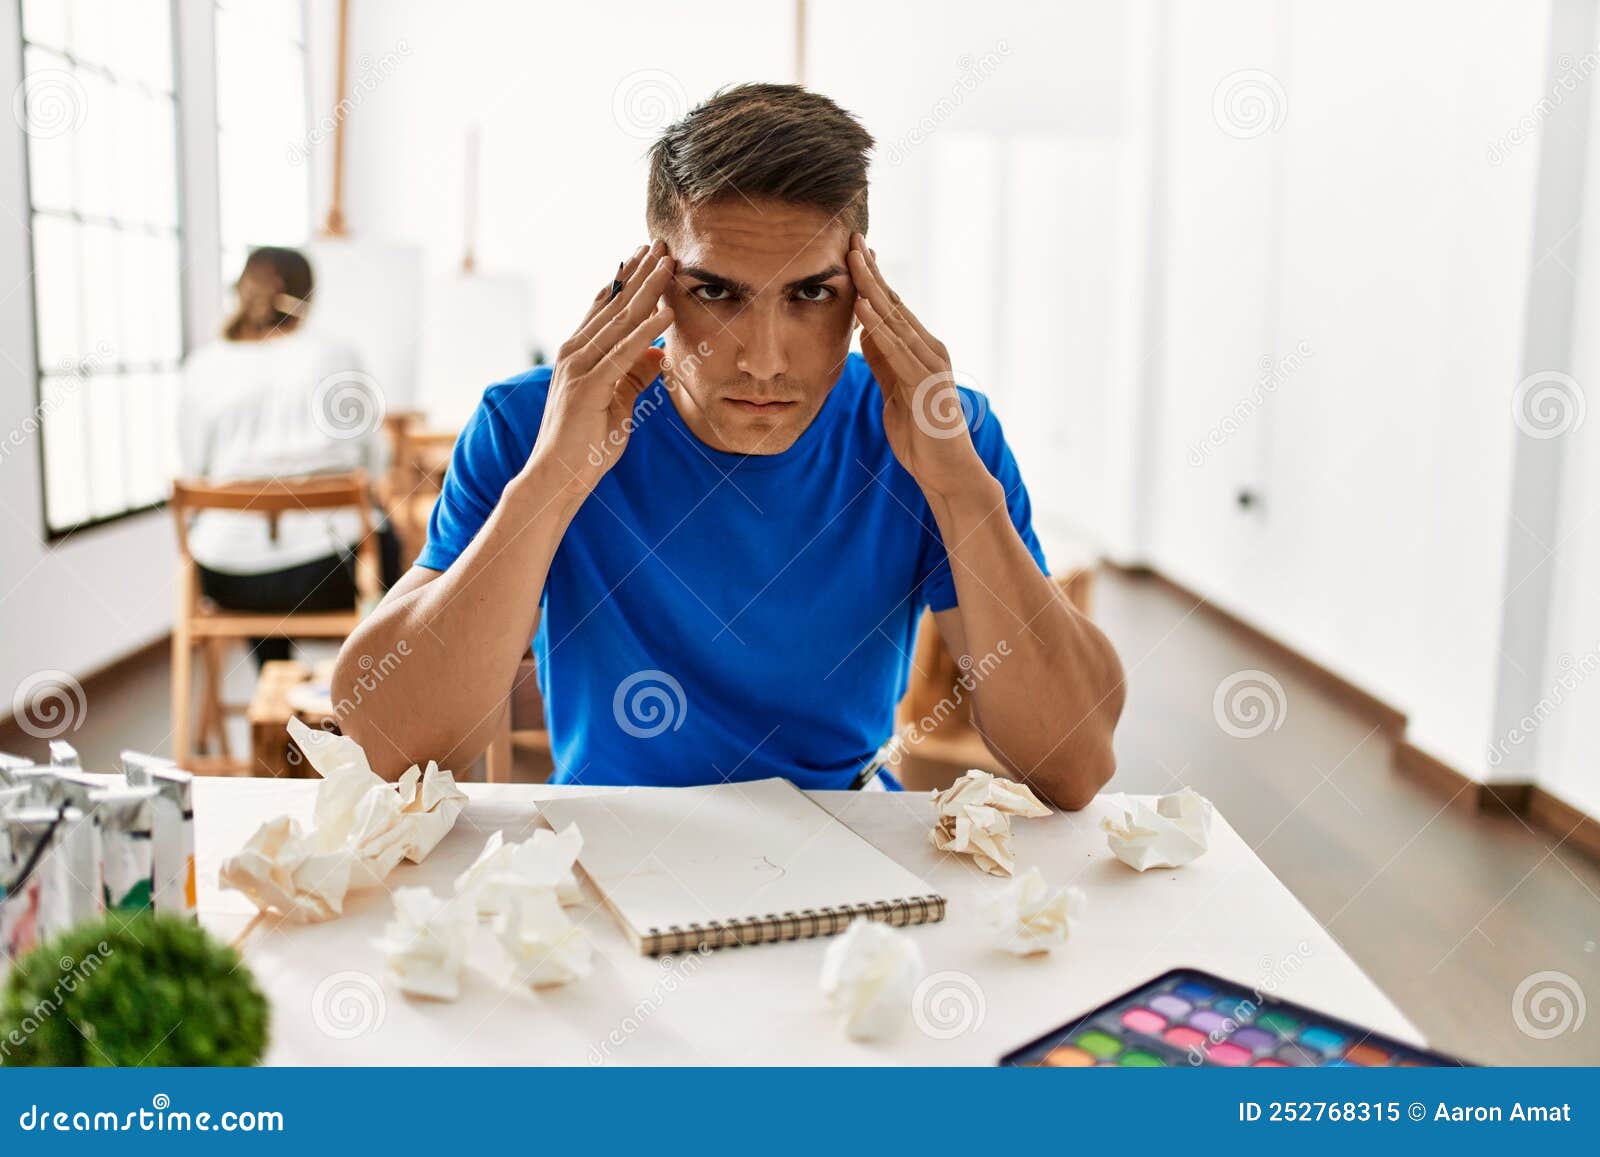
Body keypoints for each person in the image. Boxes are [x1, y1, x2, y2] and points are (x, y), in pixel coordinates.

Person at [334, 84, 1124, 808]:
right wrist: (550, 482)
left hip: (843, 830)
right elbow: (385, 743)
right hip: (608, 831)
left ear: (865, 298)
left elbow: (1074, 763)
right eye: (716, 292)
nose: (763, 358)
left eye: (810, 293)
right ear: (649, 285)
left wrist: (960, 488)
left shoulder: (938, 432)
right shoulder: (531, 422)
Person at [179, 246, 399, 668]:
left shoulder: (202, 365)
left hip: (228, 577)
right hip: (331, 572)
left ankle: (273, 682)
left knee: (251, 558)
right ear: (305, 296)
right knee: (384, 538)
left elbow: (195, 467)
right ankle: (358, 687)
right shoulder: (336, 355)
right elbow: (374, 460)